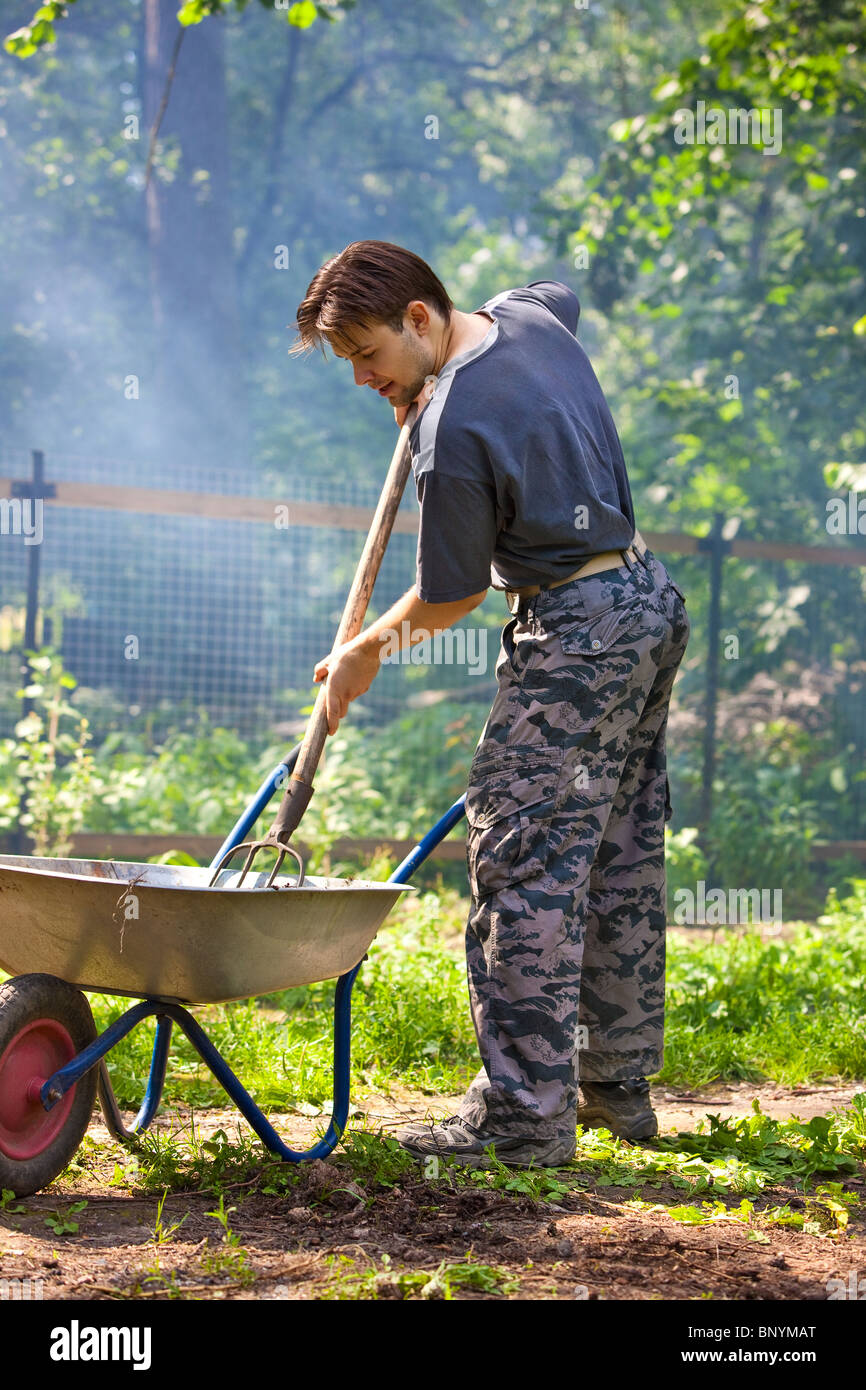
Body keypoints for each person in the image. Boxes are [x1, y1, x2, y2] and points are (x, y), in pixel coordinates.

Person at [291, 240, 690, 1167]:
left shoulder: (452, 429)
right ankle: (614, 1087)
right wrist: (429, 386)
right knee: (617, 848)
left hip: (577, 631)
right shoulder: (527, 317)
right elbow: (563, 293)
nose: (360, 378)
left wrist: (361, 656)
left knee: (523, 863)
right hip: (647, 603)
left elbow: (451, 594)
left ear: (421, 320)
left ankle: (522, 1119)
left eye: (368, 354)